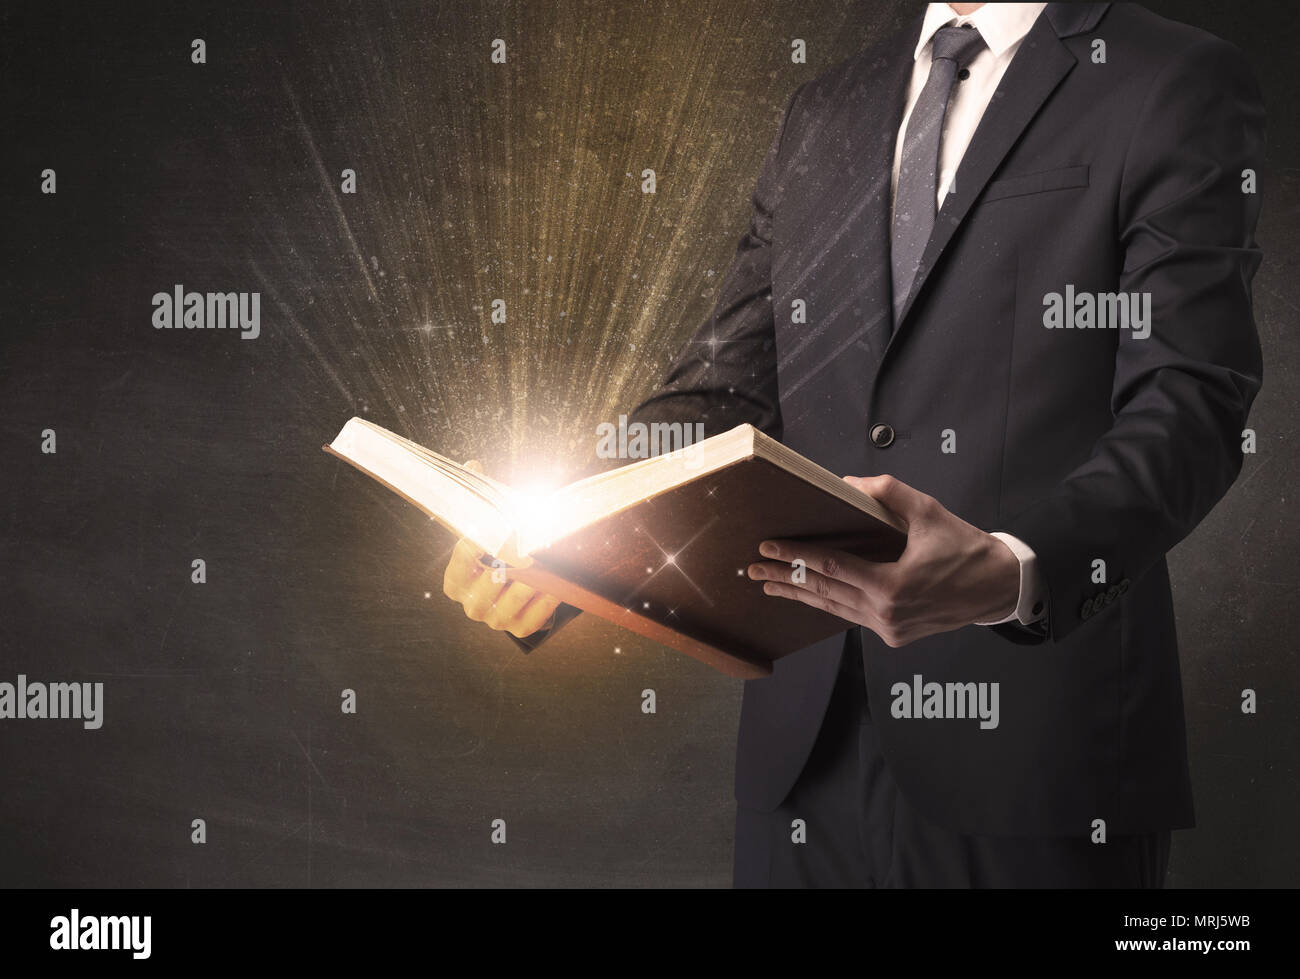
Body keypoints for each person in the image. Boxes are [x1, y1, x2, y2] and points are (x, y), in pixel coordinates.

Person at [443, 2, 1264, 887]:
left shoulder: (1168, 77)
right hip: (805, 756)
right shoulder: (824, 110)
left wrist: (1015, 570)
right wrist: (564, 535)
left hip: (1041, 766)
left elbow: (1190, 403)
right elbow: (728, 392)